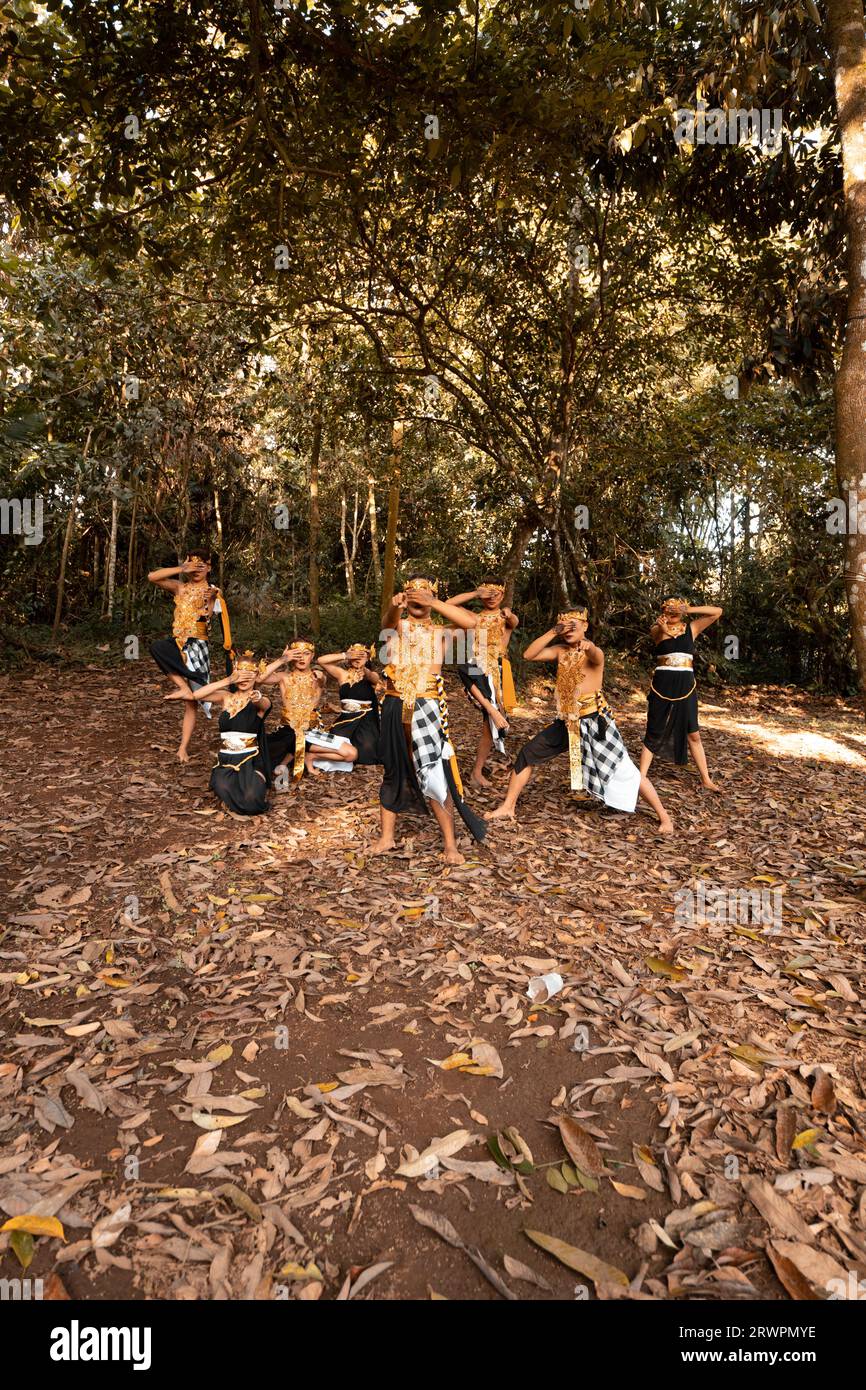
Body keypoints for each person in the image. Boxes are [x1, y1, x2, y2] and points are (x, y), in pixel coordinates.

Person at [489, 608, 673, 834]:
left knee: (624, 768)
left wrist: (590, 646)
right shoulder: (560, 651)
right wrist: (553, 632)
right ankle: (508, 806)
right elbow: (529, 655)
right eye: (563, 626)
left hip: (595, 722)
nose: (568, 630)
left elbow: (596, 655)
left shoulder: (593, 653)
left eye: (573, 625)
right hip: (567, 722)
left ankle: (664, 816)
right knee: (527, 753)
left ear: (585, 626)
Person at [373, 578, 487, 864]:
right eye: (413, 592)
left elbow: (471, 623)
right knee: (393, 766)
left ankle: (450, 845)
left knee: (434, 770)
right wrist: (394, 606)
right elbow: (386, 625)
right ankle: (387, 838)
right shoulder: (397, 626)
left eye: (424, 593)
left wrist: (434, 602)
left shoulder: (441, 632)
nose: (417, 596)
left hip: (427, 703)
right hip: (394, 700)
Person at [165, 651, 278, 815]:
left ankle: (256, 785)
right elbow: (195, 695)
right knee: (222, 788)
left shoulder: (258, 701)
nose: (244, 679)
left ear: (257, 676)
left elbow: (264, 703)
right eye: (240, 674)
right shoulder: (226, 697)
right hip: (226, 759)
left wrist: (257, 696)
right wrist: (228, 680)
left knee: (252, 800)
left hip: (250, 759)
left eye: (249, 675)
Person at [148, 550, 233, 762]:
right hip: (177, 641)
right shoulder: (180, 587)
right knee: (158, 647)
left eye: (201, 565)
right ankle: (183, 689)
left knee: (198, 697)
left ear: (209, 567)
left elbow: (208, 614)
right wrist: (181, 569)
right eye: (193, 565)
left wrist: (212, 597)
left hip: (197, 646)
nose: (197, 569)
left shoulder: (213, 591)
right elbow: (152, 577)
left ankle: (233, 704)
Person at [639, 597, 723, 790]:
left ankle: (706, 779)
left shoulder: (691, 628)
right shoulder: (657, 629)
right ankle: (641, 777)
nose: (673, 611)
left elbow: (717, 611)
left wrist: (691, 608)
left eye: (678, 608)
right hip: (662, 687)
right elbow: (658, 635)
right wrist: (663, 627)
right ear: (663, 611)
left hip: (686, 687)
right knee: (654, 730)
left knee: (693, 734)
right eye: (669, 608)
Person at [449, 582, 519, 788]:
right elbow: (448, 604)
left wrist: (508, 614)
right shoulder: (474, 618)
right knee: (491, 716)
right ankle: (476, 772)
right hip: (475, 667)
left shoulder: (505, 617)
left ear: (503, 593)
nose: (491, 596)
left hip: (497, 671)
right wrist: (474, 592)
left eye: (495, 593)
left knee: (489, 727)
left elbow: (514, 621)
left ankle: (476, 772)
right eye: (486, 594)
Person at [304, 643, 381, 775]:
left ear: (368, 658)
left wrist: (366, 670)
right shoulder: (342, 674)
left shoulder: (371, 675)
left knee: (367, 755)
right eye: (354, 655)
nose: (357, 658)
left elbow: (373, 677)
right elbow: (321, 660)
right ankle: (307, 754)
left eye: (361, 655)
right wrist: (345, 655)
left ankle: (315, 756)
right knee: (333, 744)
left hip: (366, 720)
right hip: (345, 720)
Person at [261, 640, 326, 783]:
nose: (302, 658)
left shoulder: (318, 676)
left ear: (312, 655)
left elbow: (321, 682)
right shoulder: (284, 677)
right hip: (288, 730)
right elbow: (259, 678)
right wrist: (282, 660)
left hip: (313, 731)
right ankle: (285, 762)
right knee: (269, 746)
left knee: (350, 753)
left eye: (306, 654)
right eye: (297, 654)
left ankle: (300, 757)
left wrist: (320, 677)